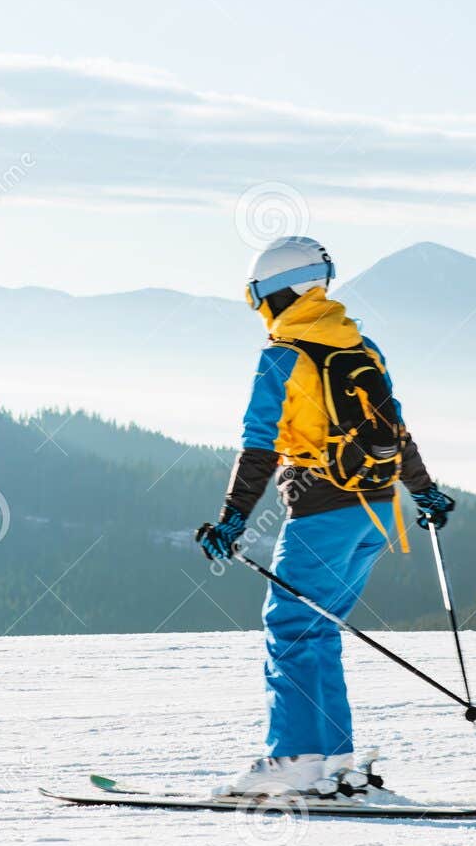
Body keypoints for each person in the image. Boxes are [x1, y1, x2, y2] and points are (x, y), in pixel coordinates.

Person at [195, 235, 455, 799]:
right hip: (378, 512)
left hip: (323, 510)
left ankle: (291, 761)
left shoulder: (284, 356)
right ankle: (335, 763)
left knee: (290, 627)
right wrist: (425, 492)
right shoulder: (363, 348)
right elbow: (398, 431)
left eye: (257, 298)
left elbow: (258, 446)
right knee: (319, 629)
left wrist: (232, 519)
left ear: (275, 294)